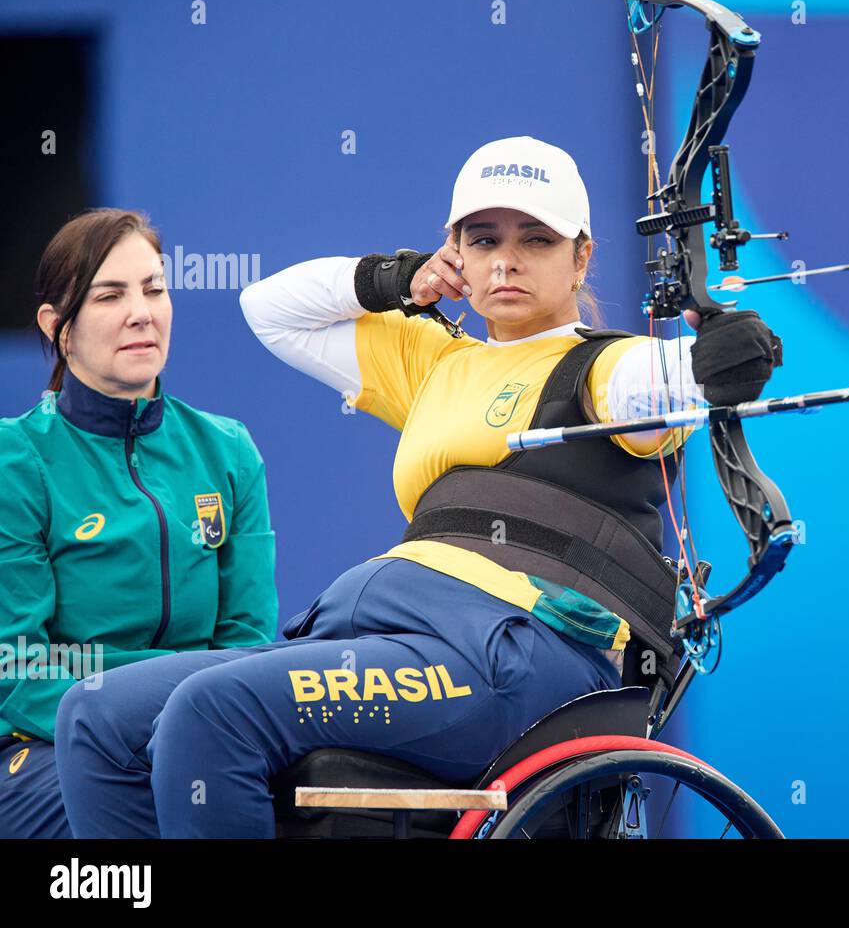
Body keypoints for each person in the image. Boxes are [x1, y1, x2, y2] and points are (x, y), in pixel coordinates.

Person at [53, 137, 781, 837]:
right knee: (96, 714)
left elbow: (657, 385)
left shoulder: (605, 367)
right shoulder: (436, 362)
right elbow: (268, 309)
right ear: (455, 250)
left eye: (535, 240)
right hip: (394, 635)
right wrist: (397, 280)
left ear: (581, 255)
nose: (506, 262)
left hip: (515, 660)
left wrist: (710, 363)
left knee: (213, 714)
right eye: (485, 240)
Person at [0, 209, 278, 838]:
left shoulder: (228, 451)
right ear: (57, 329)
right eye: (110, 295)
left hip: (193, 740)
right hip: (37, 749)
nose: (141, 312)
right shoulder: (14, 460)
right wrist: (150, 720)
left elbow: (247, 646)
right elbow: (17, 671)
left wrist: (184, 730)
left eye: (154, 288)